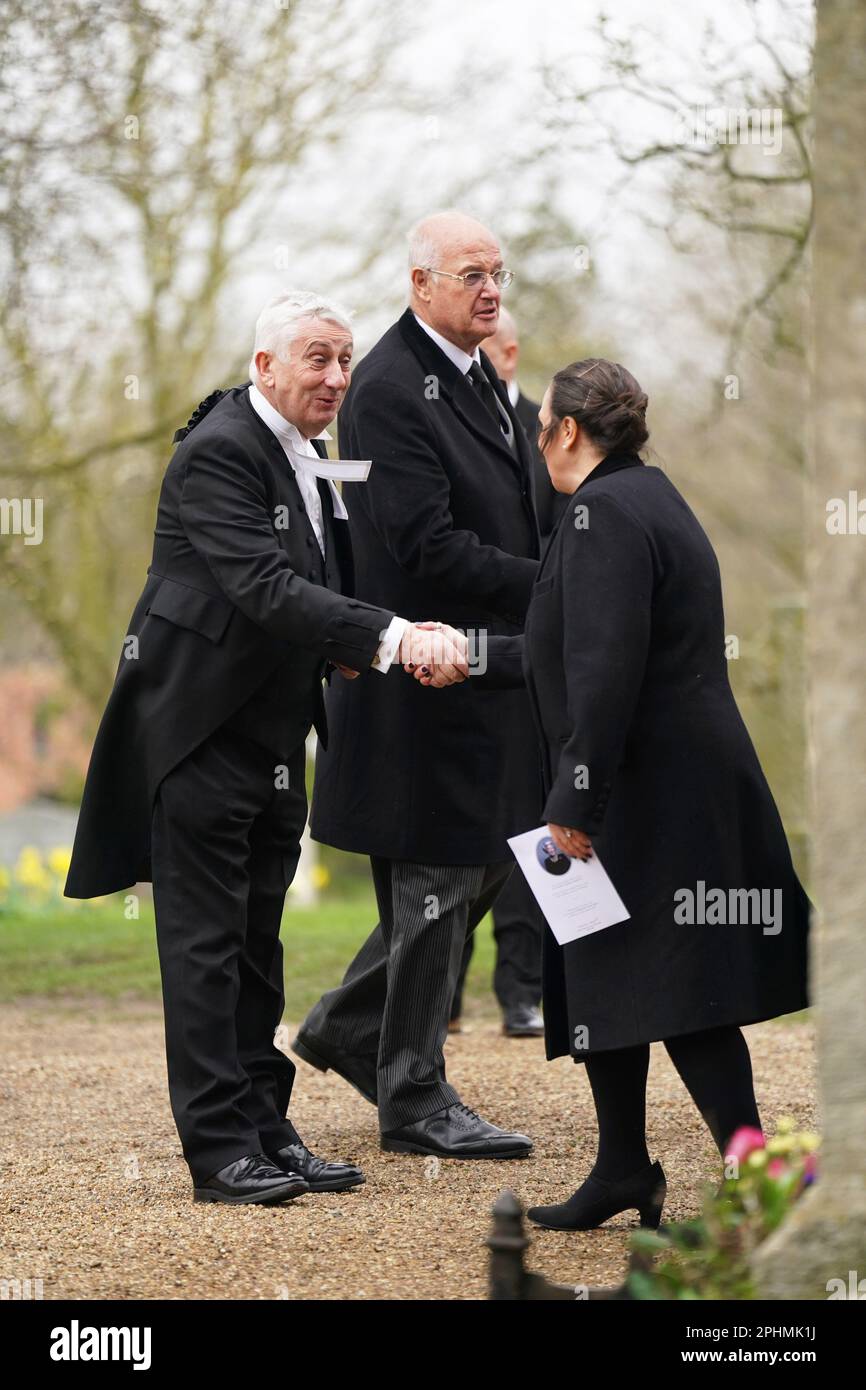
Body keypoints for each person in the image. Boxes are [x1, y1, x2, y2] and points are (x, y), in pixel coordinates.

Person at [63, 289, 468, 1206]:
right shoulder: (219, 454)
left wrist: (346, 647)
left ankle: (265, 1127)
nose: (335, 377)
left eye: (344, 360)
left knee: (255, 942)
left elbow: (310, 585)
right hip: (196, 737)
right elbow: (266, 588)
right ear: (265, 367)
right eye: (316, 359)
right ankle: (217, 1150)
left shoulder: (305, 453)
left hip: (275, 734)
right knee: (205, 948)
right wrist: (391, 637)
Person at [408, 357, 811, 1230]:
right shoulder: (643, 498)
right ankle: (624, 1168)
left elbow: (604, 674)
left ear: (564, 432)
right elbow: (566, 647)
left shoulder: (599, 515)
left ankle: (769, 1183)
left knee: (683, 989)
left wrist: (572, 805)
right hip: (659, 776)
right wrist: (469, 657)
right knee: (607, 972)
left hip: (648, 788)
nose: (531, 439)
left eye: (538, 425)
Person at [293, 210, 543, 1160]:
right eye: (472, 272)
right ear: (420, 283)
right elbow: (423, 545)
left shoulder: (482, 377)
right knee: (441, 872)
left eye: (499, 270)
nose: (491, 289)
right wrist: (552, 584)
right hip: (421, 676)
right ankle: (415, 1097)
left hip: (481, 672)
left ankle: (350, 1027)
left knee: (478, 865)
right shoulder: (394, 384)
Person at [448, 308, 563, 1038]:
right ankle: (443, 995)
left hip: (525, 643)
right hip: (456, 645)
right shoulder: (446, 422)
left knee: (528, 824)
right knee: (455, 832)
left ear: (510, 353)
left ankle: (519, 989)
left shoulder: (546, 429)